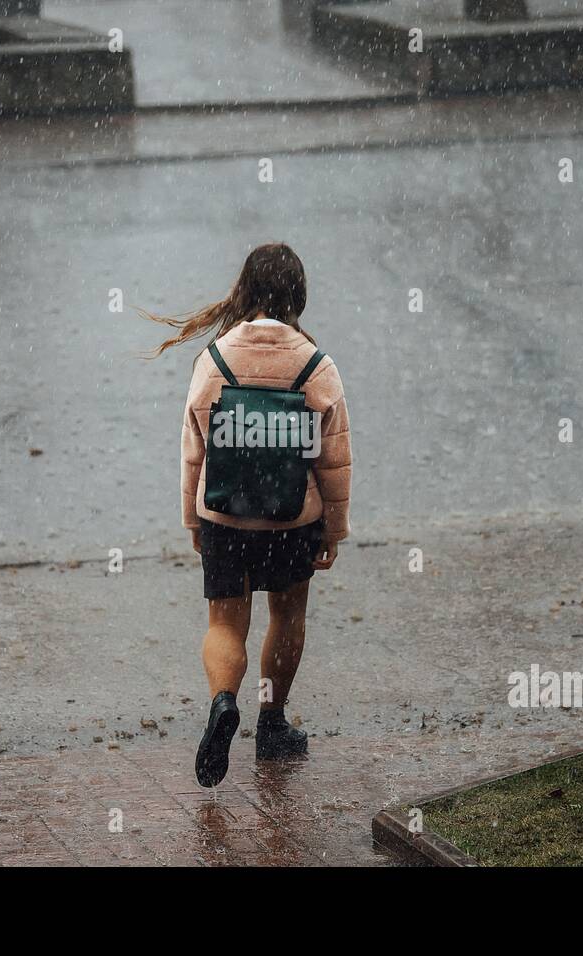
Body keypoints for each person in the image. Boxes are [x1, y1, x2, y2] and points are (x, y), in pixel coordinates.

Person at [145, 243, 352, 788]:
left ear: (245, 290)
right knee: (286, 618)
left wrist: (194, 521)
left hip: (225, 519)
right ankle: (272, 724)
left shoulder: (213, 361)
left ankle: (221, 703)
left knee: (224, 623)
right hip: (292, 521)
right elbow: (335, 459)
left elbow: (194, 451)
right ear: (298, 295)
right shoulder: (316, 365)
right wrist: (334, 527)